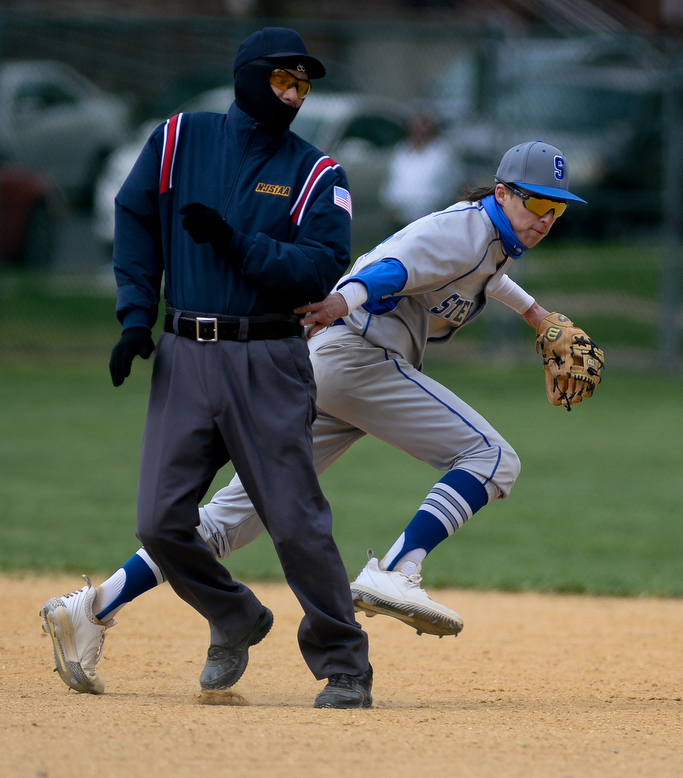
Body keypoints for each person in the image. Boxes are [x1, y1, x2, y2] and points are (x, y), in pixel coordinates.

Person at [41, 139, 591, 697]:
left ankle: (90, 607)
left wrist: (536, 313)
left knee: (231, 520)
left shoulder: (489, 240)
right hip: (360, 357)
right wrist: (343, 300)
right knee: (492, 457)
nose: (546, 219)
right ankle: (396, 569)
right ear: (502, 193)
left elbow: (480, 275)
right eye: (537, 204)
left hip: (330, 371)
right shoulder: (465, 232)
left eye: (557, 208)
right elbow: (389, 267)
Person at [40, 27, 373, 710]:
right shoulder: (176, 140)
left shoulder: (317, 172)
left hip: (269, 358)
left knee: (295, 521)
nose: (295, 94)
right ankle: (235, 616)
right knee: (160, 523)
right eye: (283, 80)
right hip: (184, 354)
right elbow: (133, 214)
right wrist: (136, 314)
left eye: (304, 85)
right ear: (248, 77)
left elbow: (317, 266)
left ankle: (344, 665)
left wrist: (235, 242)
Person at [379, 107, 461, 228]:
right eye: (417, 125)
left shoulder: (442, 153)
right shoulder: (401, 151)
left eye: (425, 125)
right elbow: (391, 181)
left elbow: (452, 184)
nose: (421, 130)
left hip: (429, 218)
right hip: (400, 218)